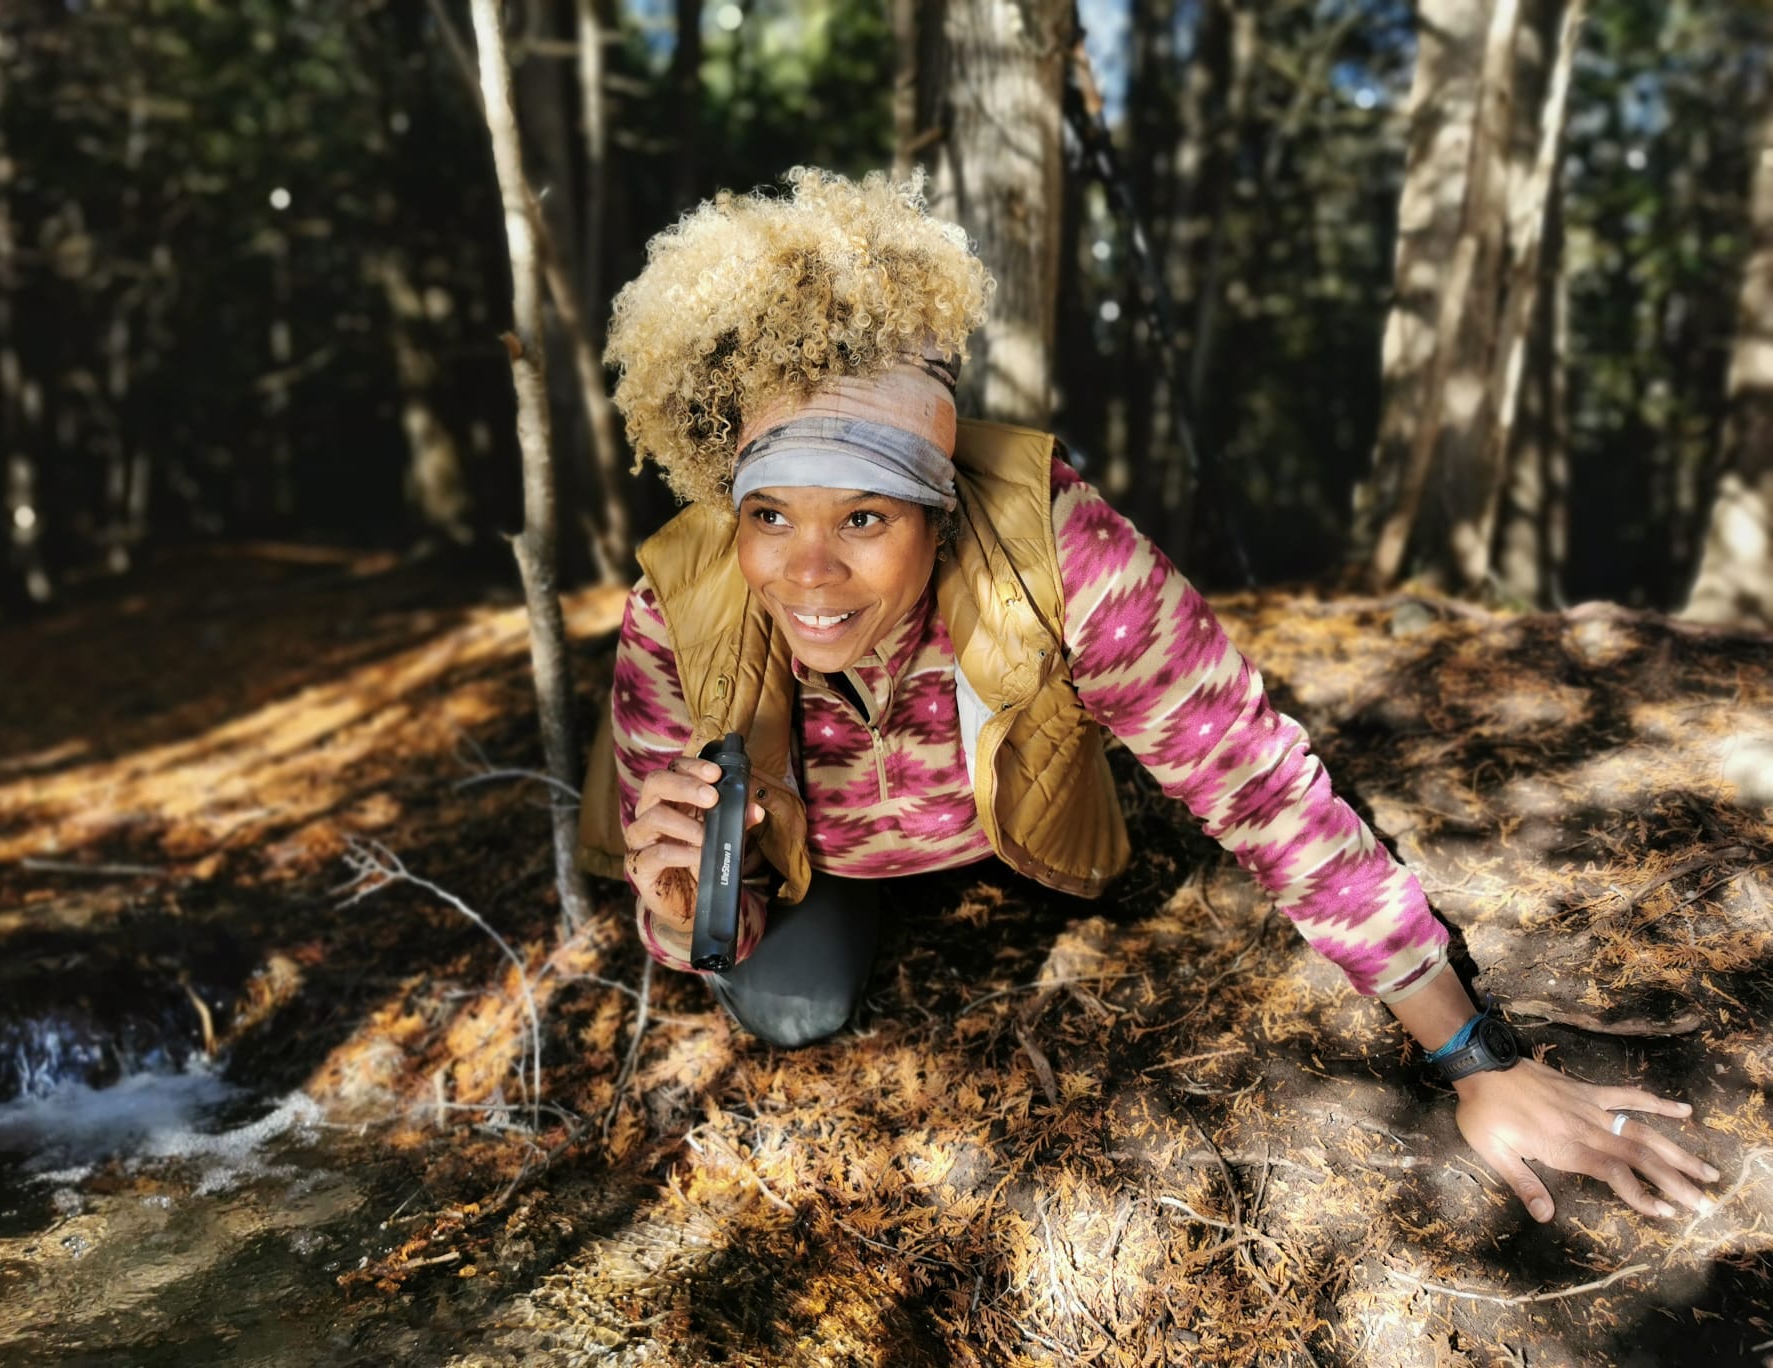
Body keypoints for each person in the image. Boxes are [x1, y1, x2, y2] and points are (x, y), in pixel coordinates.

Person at [577, 167, 1718, 1227]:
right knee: (795, 1008)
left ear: (940, 509)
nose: (807, 572)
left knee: (1083, 871)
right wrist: (680, 913)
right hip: (821, 861)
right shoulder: (680, 606)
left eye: (865, 516)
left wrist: (1472, 1058)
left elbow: (1259, 782)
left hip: (1016, 825)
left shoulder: (1062, 552)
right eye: (771, 514)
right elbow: (685, 892)